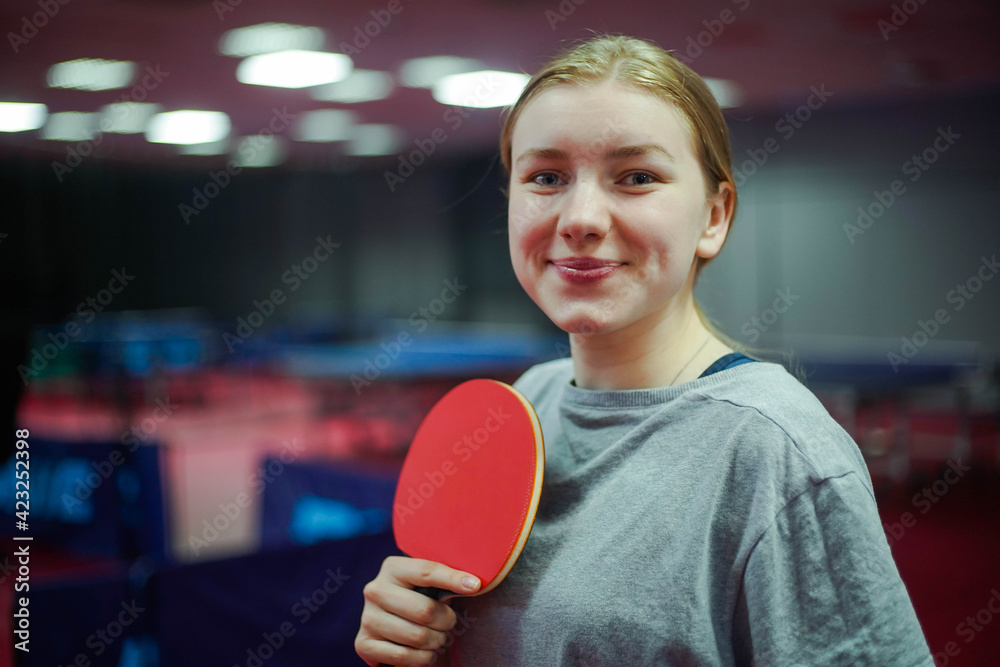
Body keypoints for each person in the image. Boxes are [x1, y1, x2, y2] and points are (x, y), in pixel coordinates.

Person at [355, 34, 934, 666]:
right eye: (546, 177)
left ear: (714, 216)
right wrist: (414, 632)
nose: (580, 218)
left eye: (637, 177)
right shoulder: (525, 401)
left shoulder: (777, 450)